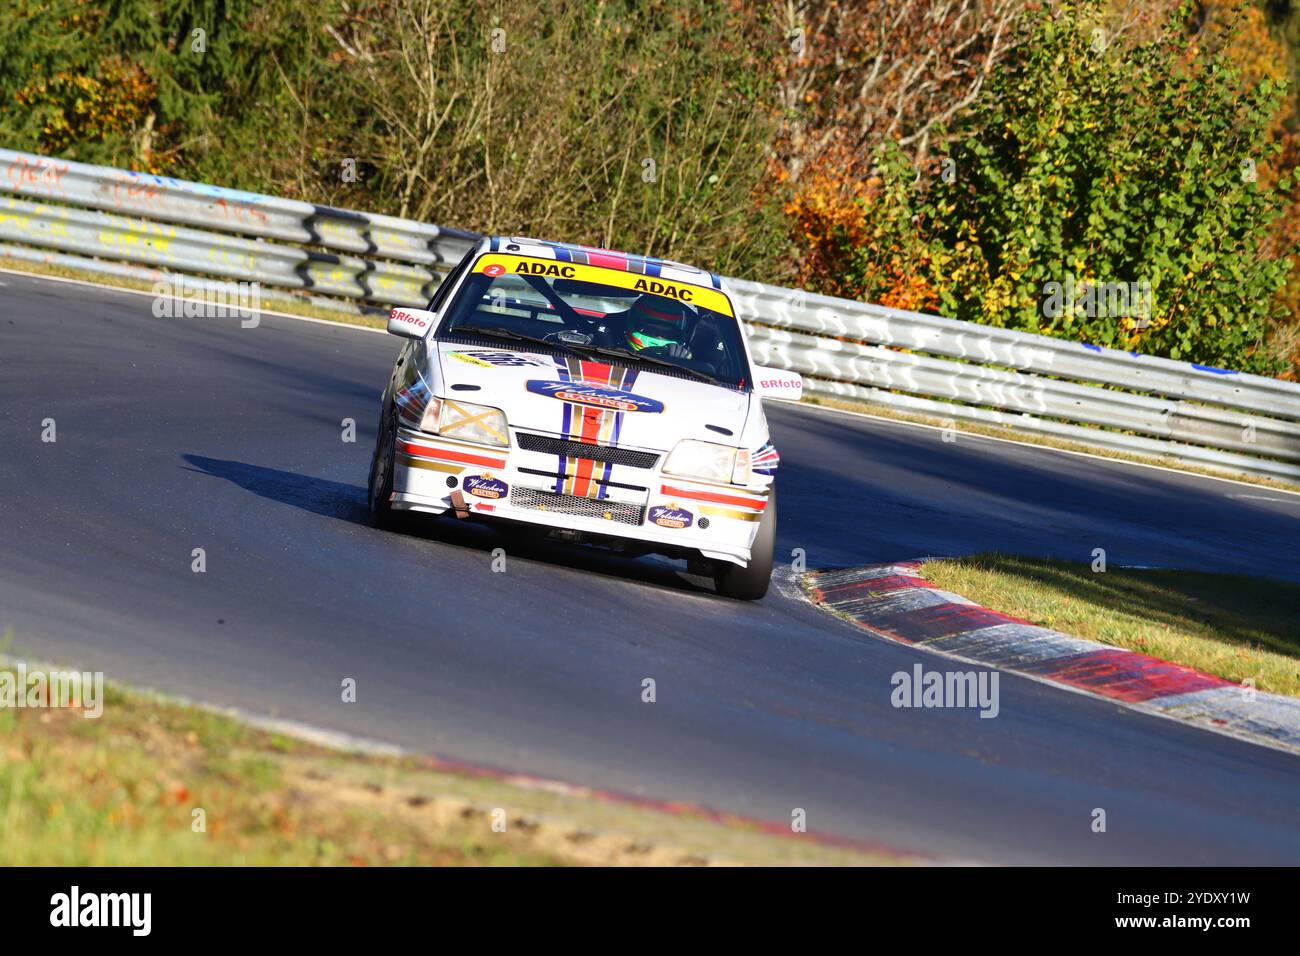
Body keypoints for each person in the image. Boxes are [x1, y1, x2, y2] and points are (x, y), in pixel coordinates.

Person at [621, 295, 695, 358]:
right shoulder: (610, 353)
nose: (660, 338)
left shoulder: (687, 370)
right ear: (632, 325)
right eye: (652, 330)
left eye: (669, 334)